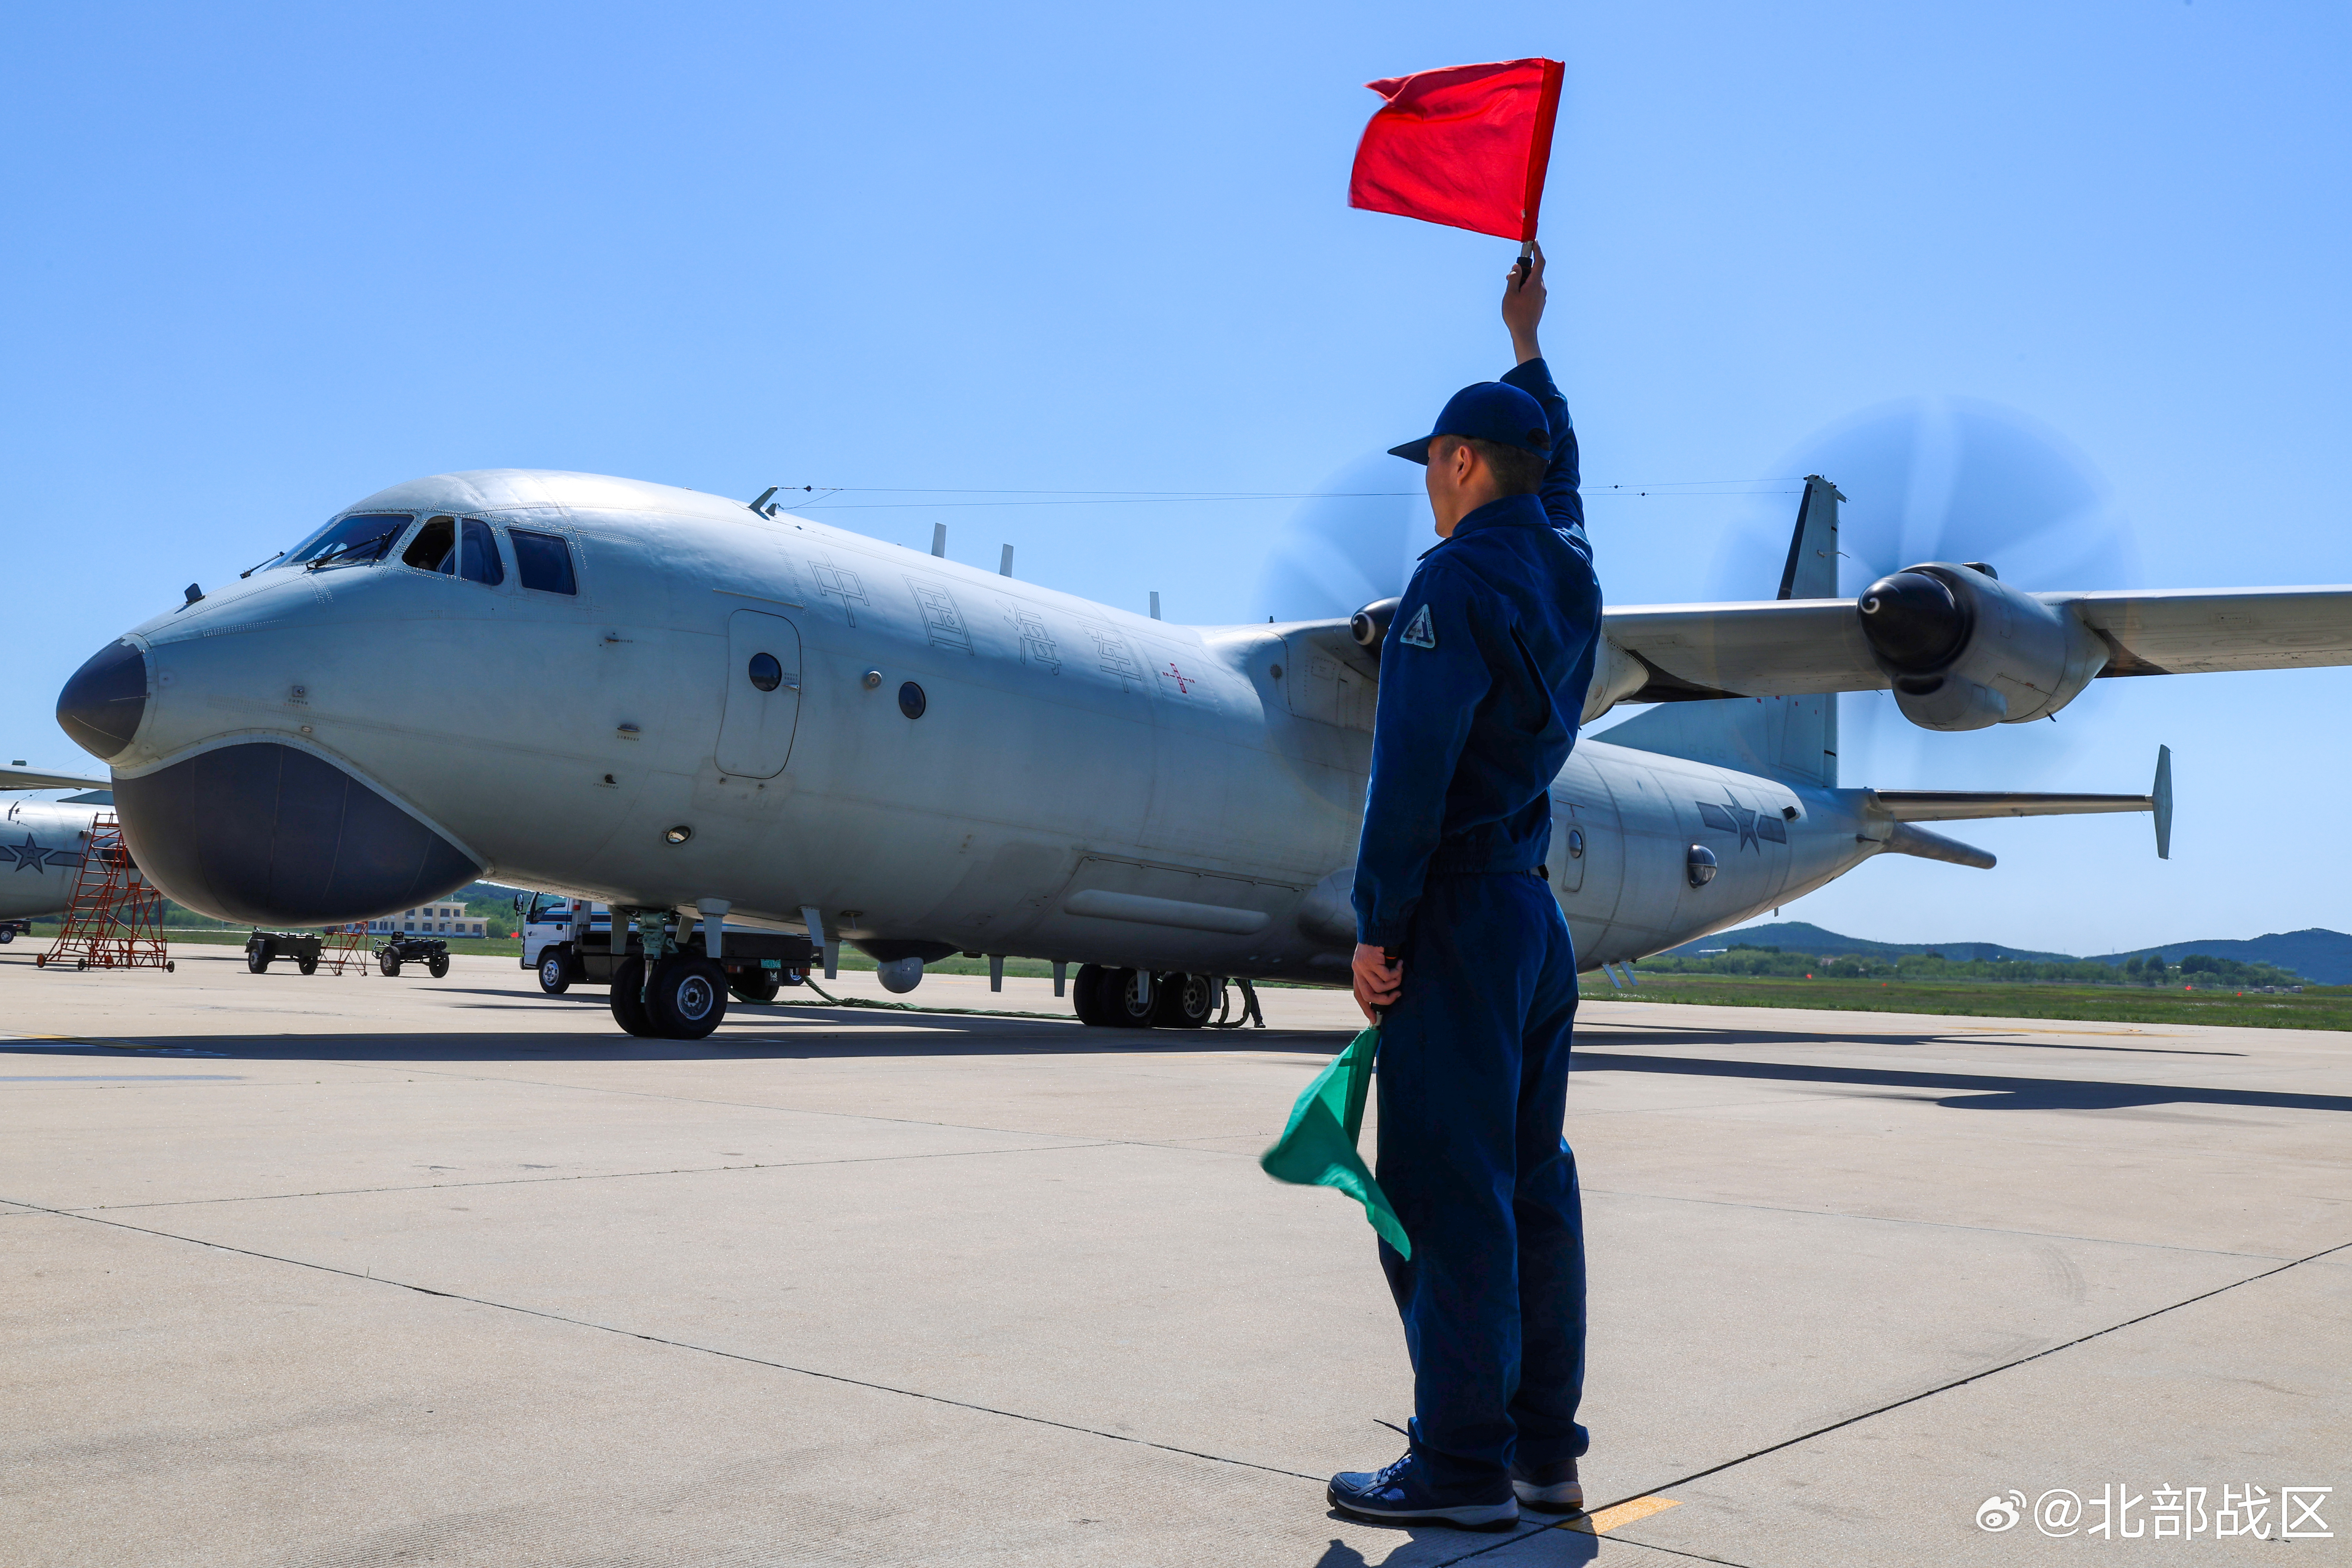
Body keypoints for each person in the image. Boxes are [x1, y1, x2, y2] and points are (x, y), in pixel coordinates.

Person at [1327, 243, 1602, 1531]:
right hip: (1534, 918)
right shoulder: (1566, 567)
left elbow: (1408, 776)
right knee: (1532, 1181)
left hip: (1456, 918)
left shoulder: (1450, 581)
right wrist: (1528, 343)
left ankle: (1455, 1469)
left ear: (1455, 464)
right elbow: (1568, 481)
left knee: (1443, 1193)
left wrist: (1377, 929)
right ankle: (1542, 1453)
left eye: (1433, 468)